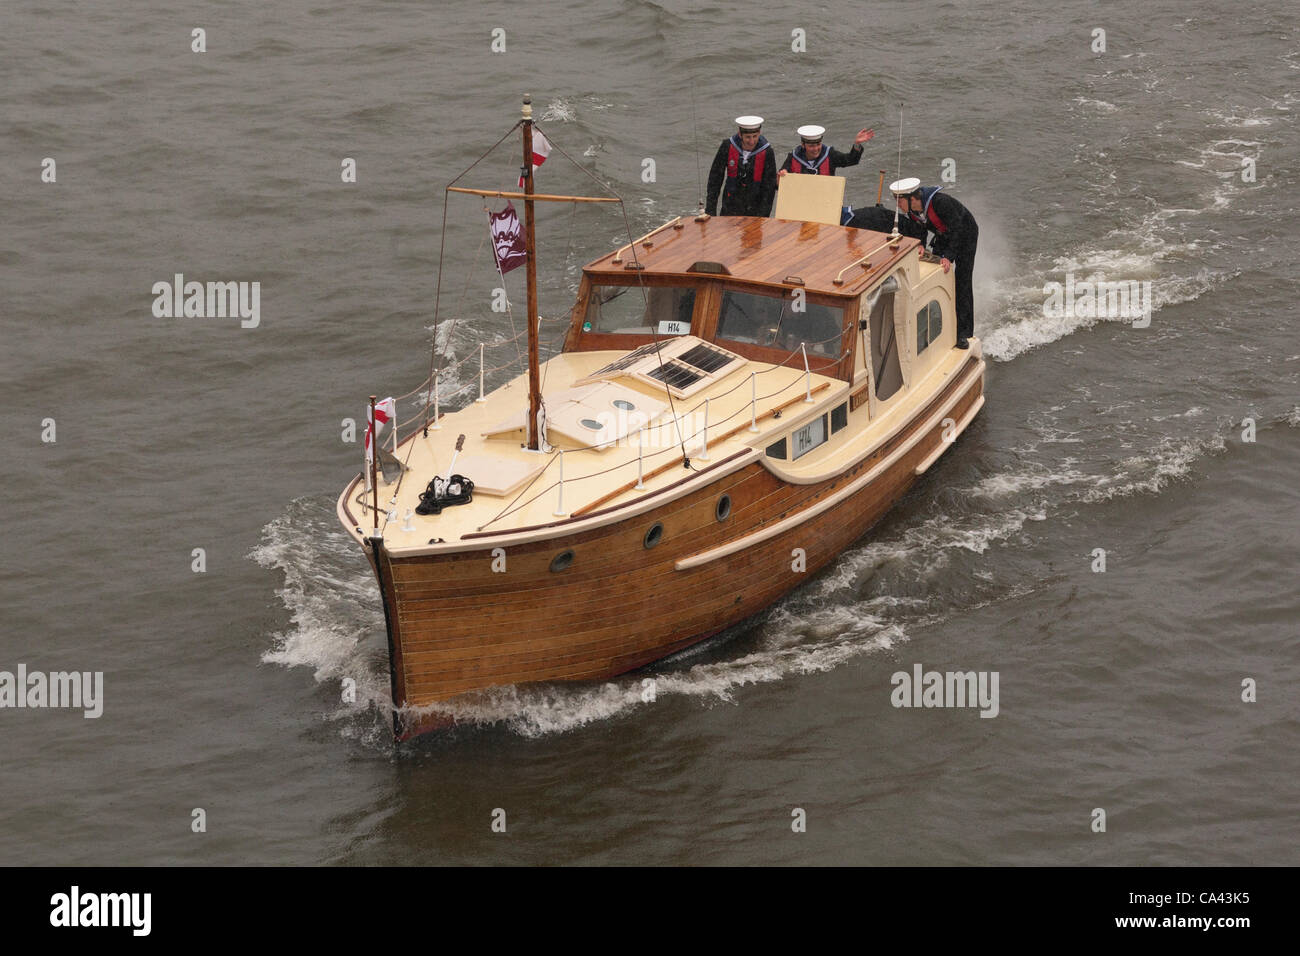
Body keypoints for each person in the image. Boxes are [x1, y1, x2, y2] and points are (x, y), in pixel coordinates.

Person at [890, 177, 979, 348]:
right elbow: (920, 228)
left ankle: (963, 333)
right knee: (934, 271)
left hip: (966, 235)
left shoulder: (940, 203)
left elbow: (958, 229)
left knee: (962, 282)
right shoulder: (912, 211)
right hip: (945, 235)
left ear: (912, 198)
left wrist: (948, 257)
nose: (897, 205)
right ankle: (939, 322)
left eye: (899, 201)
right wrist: (920, 245)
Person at [706, 116, 777, 218]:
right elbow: (715, 179)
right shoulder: (727, 146)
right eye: (748, 137)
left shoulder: (767, 152)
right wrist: (710, 211)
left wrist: (763, 217)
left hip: (755, 209)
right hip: (730, 206)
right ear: (740, 134)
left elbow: (769, 188)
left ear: (759, 133)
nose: (752, 141)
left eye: (755, 136)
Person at [779, 125, 873, 177]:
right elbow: (780, 181)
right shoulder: (793, 157)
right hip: (802, 200)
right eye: (811, 146)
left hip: (825, 200)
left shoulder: (829, 154)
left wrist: (857, 143)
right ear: (803, 145)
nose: (816, 149)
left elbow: (851, 160)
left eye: (818, 144)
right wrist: (782, 174)